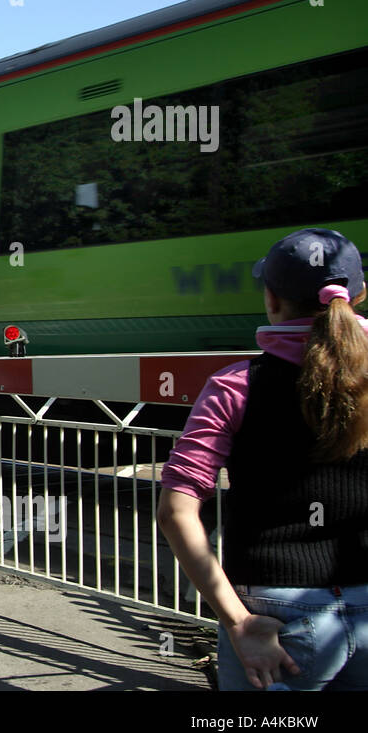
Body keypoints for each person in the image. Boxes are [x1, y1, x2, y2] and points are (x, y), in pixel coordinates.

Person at [157, 227, 368, 691]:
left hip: (274, 615)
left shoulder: (235, 386)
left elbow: (176, 511)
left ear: (272, 300)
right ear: (360, 294)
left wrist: (237, 621)